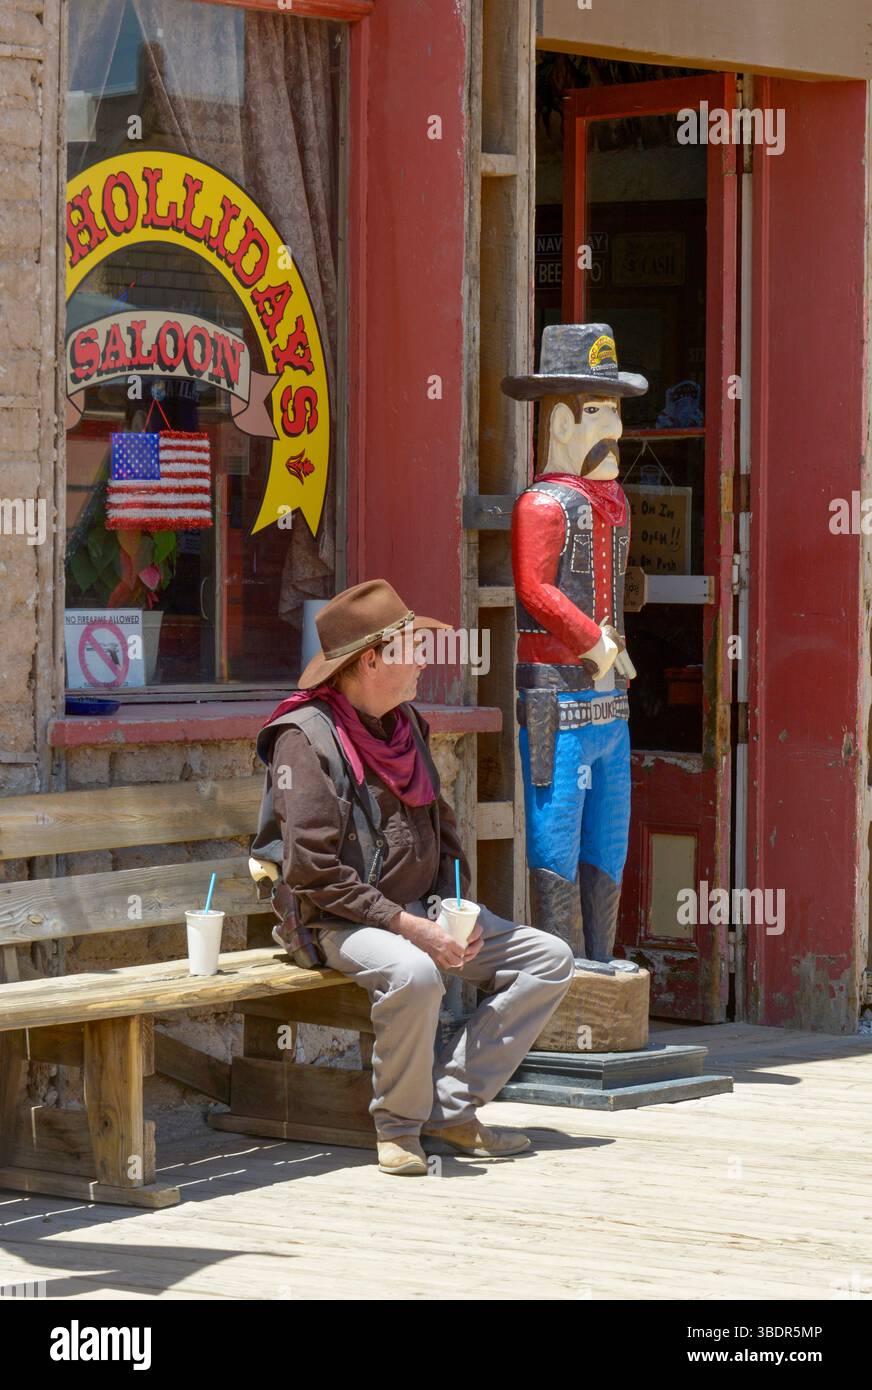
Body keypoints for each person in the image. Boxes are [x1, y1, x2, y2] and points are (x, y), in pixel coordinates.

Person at [250, 578, 575, 1176]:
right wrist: (410, 927)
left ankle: (451, 1107)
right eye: (411, 647)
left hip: (418, 910)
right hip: (336, 922)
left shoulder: (405, 726)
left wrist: (456, 909)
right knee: (416, 972)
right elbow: (314, 873)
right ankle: (398, 1127)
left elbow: (442, 829)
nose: (425, 659)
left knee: (548, 957)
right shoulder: (304, 739)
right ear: (371, 660)